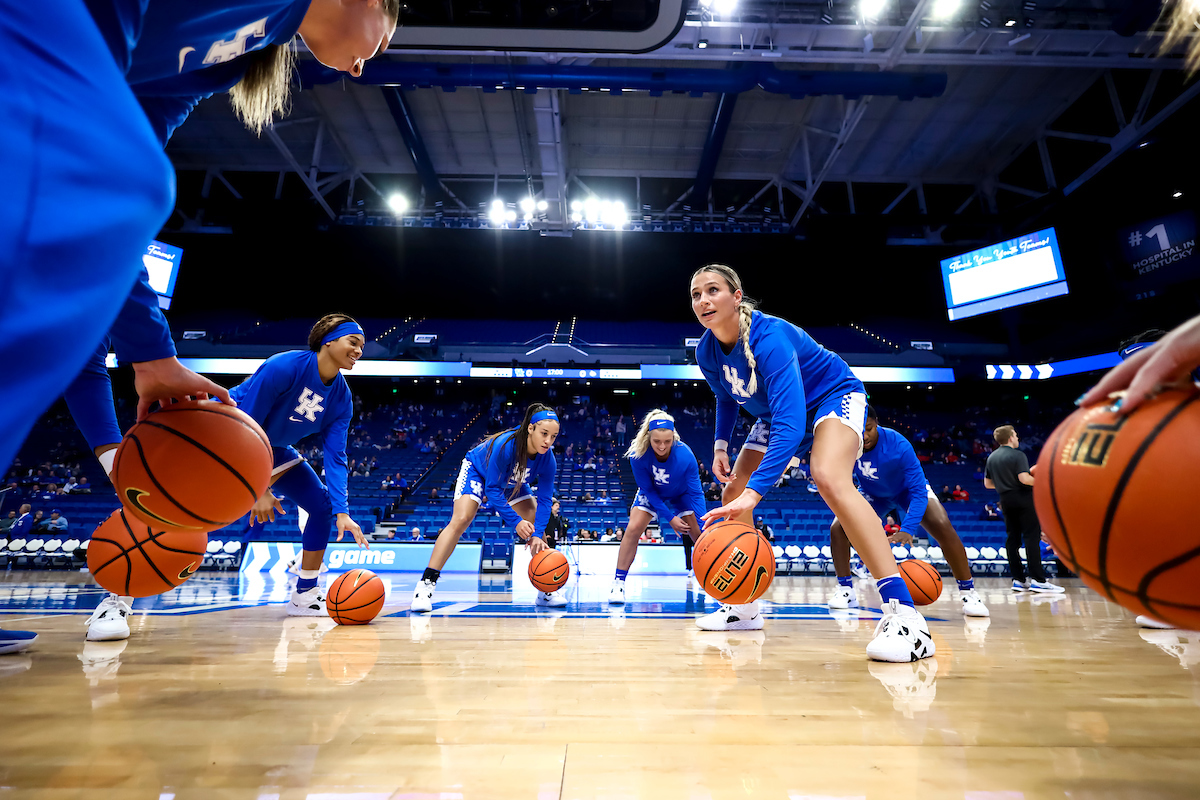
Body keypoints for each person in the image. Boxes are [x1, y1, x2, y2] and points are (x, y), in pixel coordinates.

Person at [0, 0, 401, 478]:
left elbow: (132, 149)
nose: (359, 68)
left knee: (108, 238)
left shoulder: (239, 55)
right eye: (380, 44)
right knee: (134, 190)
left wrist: (151, 357)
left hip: (44, 97)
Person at [692, 264, 933, 662]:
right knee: (731, 487)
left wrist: (756, 493)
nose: (703, 300)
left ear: (737, 297)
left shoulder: (770, 338)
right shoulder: (706, 350)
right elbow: (727, 397)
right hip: (779, 414)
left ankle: (905, 616)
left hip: (831, 397)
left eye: (713, 290)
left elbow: (791, 424)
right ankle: (743, 606)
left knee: (827, 475)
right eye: (696, 294)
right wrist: (720, 446)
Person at [232, 314, 369, 618]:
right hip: (223, 434)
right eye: (353, 342)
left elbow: (335, 457)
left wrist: (343, 511)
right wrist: (257, 488)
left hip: (273, 449)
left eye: (362, 346)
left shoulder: (342, 399)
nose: (359, 350)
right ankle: (121, 593)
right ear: (328, 341)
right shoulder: (284, 366)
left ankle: (305, 594)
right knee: (189, 506)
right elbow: (245, 424)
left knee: (321, 507)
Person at [828, 405, 988, 617]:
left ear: (877, 424)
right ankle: (846, 589)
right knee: (838, 528)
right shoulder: (847, 443)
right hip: (873, 494)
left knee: (942, 525)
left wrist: (908, 528)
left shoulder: (899, 445)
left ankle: (968, 592)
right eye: (860, 430)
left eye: (869, 429)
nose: (864, 436)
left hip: (907, 491)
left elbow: (919, 493)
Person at [411, 404, 561, 612]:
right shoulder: (506, 446)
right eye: (544, 434)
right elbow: (492, 490)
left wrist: (535, 535)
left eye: (553, 436)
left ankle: (546, 590)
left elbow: (545, 501)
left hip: (511, 480)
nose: (548, 441)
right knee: (462, 519)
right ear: (531, 428)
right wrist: (516, 522)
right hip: (478, 471)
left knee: (537, 525)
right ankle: (425, 585)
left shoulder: (548, 460)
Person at [609, 411, 706, 604]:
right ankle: (618, 583)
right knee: (633, 527)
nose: (662, 446)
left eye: (667, 441)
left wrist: (705, 523)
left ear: (674, 438)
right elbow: (648, 490)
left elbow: (696, 493)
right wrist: (670, 518)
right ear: (648, 437)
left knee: (699, 533)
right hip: (653, 492)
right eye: (657, 441)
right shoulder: (638, 455)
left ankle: (714, 580)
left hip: (681, 493)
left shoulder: (686, 455)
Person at [985, 425, 1062, 593]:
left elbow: (988, 484)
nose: (1018, 438)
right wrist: (1044, 482)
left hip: (1005, 500)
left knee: (1012, 540)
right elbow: (1024, 478)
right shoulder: (1018, 455)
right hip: (1023, 498)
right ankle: (1038, 580)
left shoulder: (992, 457)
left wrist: (1005, 482)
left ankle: (1018, 580)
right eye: (1016, 435)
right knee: (1031, 538)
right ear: (1010, 438)